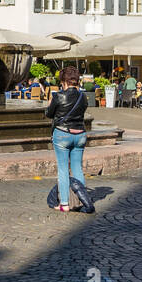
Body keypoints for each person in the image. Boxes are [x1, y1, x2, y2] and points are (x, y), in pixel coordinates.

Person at [44, 65, 89, 212]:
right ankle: (80, 201)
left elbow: (49, 114)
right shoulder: (83, 96)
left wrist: (51, 102)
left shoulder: (58, 96)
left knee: (63, 170)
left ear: (64, 81)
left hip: (63, 134)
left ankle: (64, 204)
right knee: (78, 169)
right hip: (80, 135)